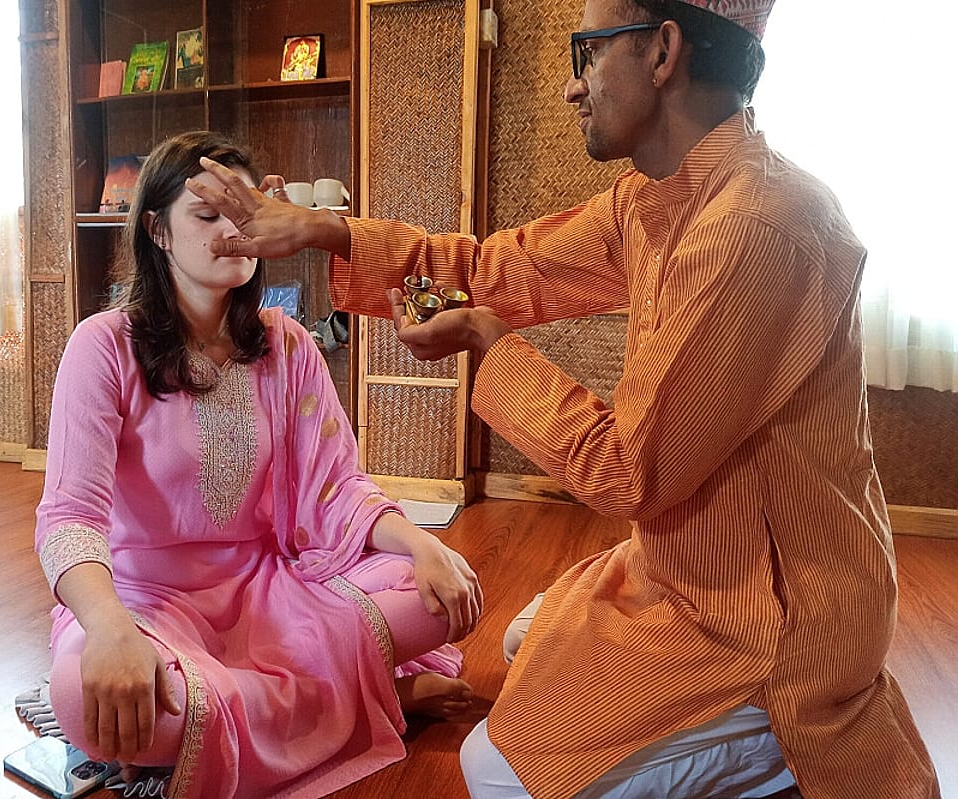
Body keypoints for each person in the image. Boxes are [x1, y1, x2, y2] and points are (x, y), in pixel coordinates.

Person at [185, 0, 944, 796]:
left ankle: (779, 748)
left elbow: (629, 472)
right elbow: (492, 268)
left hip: (768, 618)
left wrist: (487, 348)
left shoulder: (753, 226)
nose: (573, 89)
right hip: (683, 566)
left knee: (494, 771)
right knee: (522, 639)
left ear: (662, 51)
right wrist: (322, 231)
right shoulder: (659, 200)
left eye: (586, 52)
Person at [34, 130, 483, 799]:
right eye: (206, 214)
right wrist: (108, 628)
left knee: (442, 591)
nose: (231, 228)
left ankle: (240, 712)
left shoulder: (287, 343)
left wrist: (422, 542)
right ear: (157, 231)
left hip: (271, 593)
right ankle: (377, 694)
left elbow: (338, 486)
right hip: (144, 602)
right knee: (81, 694)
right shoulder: (102, 346)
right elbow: (70, 516)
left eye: (240, 210)